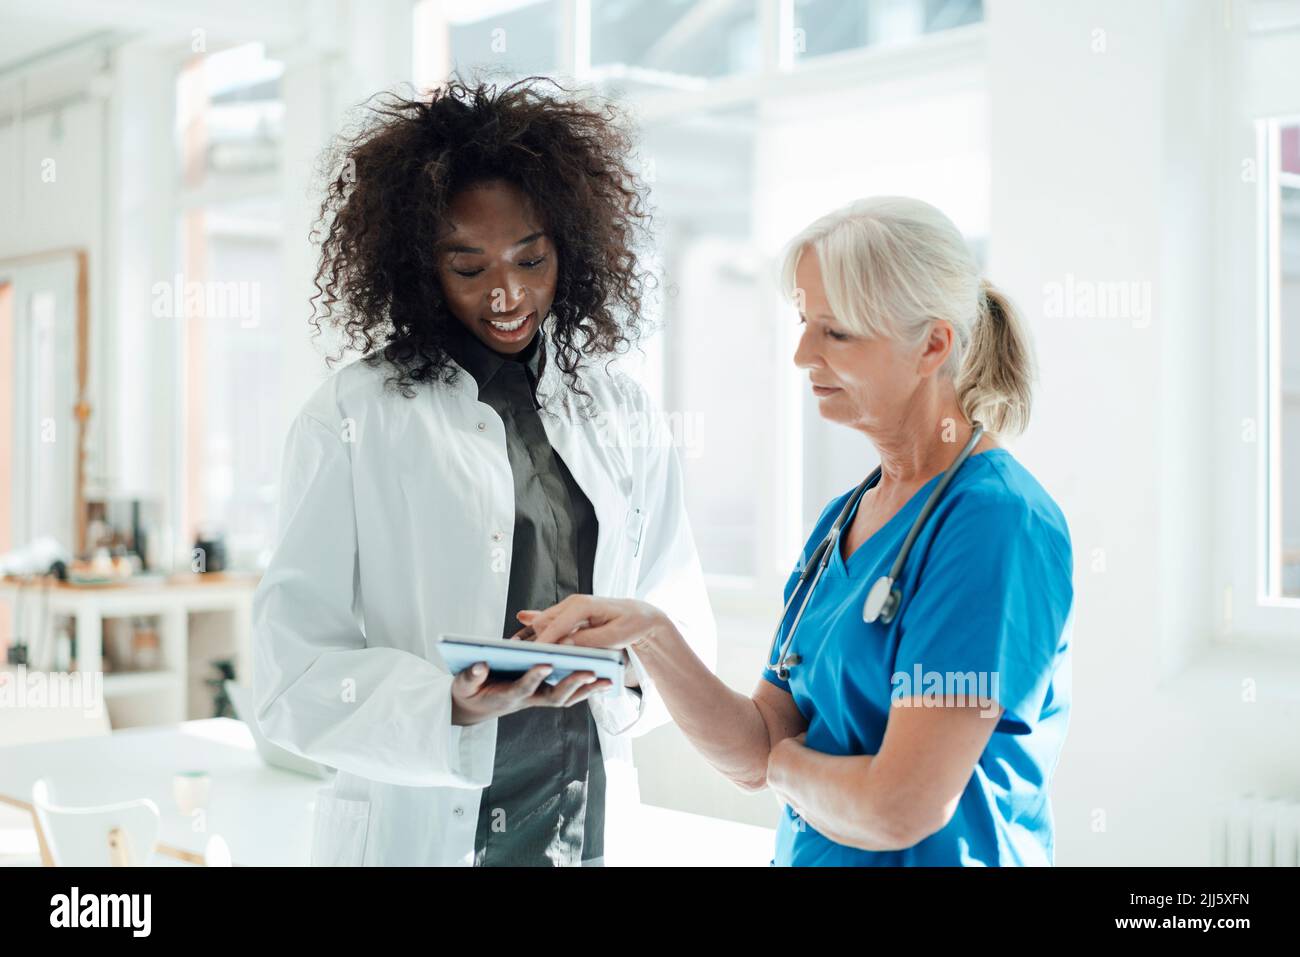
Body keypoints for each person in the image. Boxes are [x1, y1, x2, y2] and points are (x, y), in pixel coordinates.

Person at [522, 196, 1074, 866]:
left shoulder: (994, 523)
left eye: (836, 333)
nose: (801, 354)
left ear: (932, 344)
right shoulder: (843, 520)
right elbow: (756, 745)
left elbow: (900, 805)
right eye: (806, 321)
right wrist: (650, 632)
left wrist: (785, 766)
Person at [252, 78, 715, 867]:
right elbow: (291, 677)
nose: (507, 293)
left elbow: (678, 618)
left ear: (568, 247)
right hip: (426, 828)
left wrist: (619, 668)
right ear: (417, 270)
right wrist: (452, 705)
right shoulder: (353, 417)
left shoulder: (623, 413)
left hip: (588, 813)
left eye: (530, 258)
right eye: (468, 267)